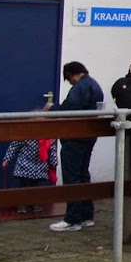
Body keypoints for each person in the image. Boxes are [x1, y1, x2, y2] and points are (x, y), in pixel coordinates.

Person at [48, 61, 103, 233]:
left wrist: (52, 108)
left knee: (72, 177)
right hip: (89, 136)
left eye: (69, 79)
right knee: (83, 175)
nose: (69, 82)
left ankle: (72, 219)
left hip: (75, 138)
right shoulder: (94, 85)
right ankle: (87, 215)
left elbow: (69, 109)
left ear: (72, 74)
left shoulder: (80, 87)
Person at [1, 136, 56, 214]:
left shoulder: (46, 138)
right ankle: (22, 204)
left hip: (39, 165)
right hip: (24, 165)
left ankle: (34, 203)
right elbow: (14, 146)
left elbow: (52, 150)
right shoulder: (25, 136)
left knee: (36, 186)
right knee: (24, 186)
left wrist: (54, 162)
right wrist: (7, 160)